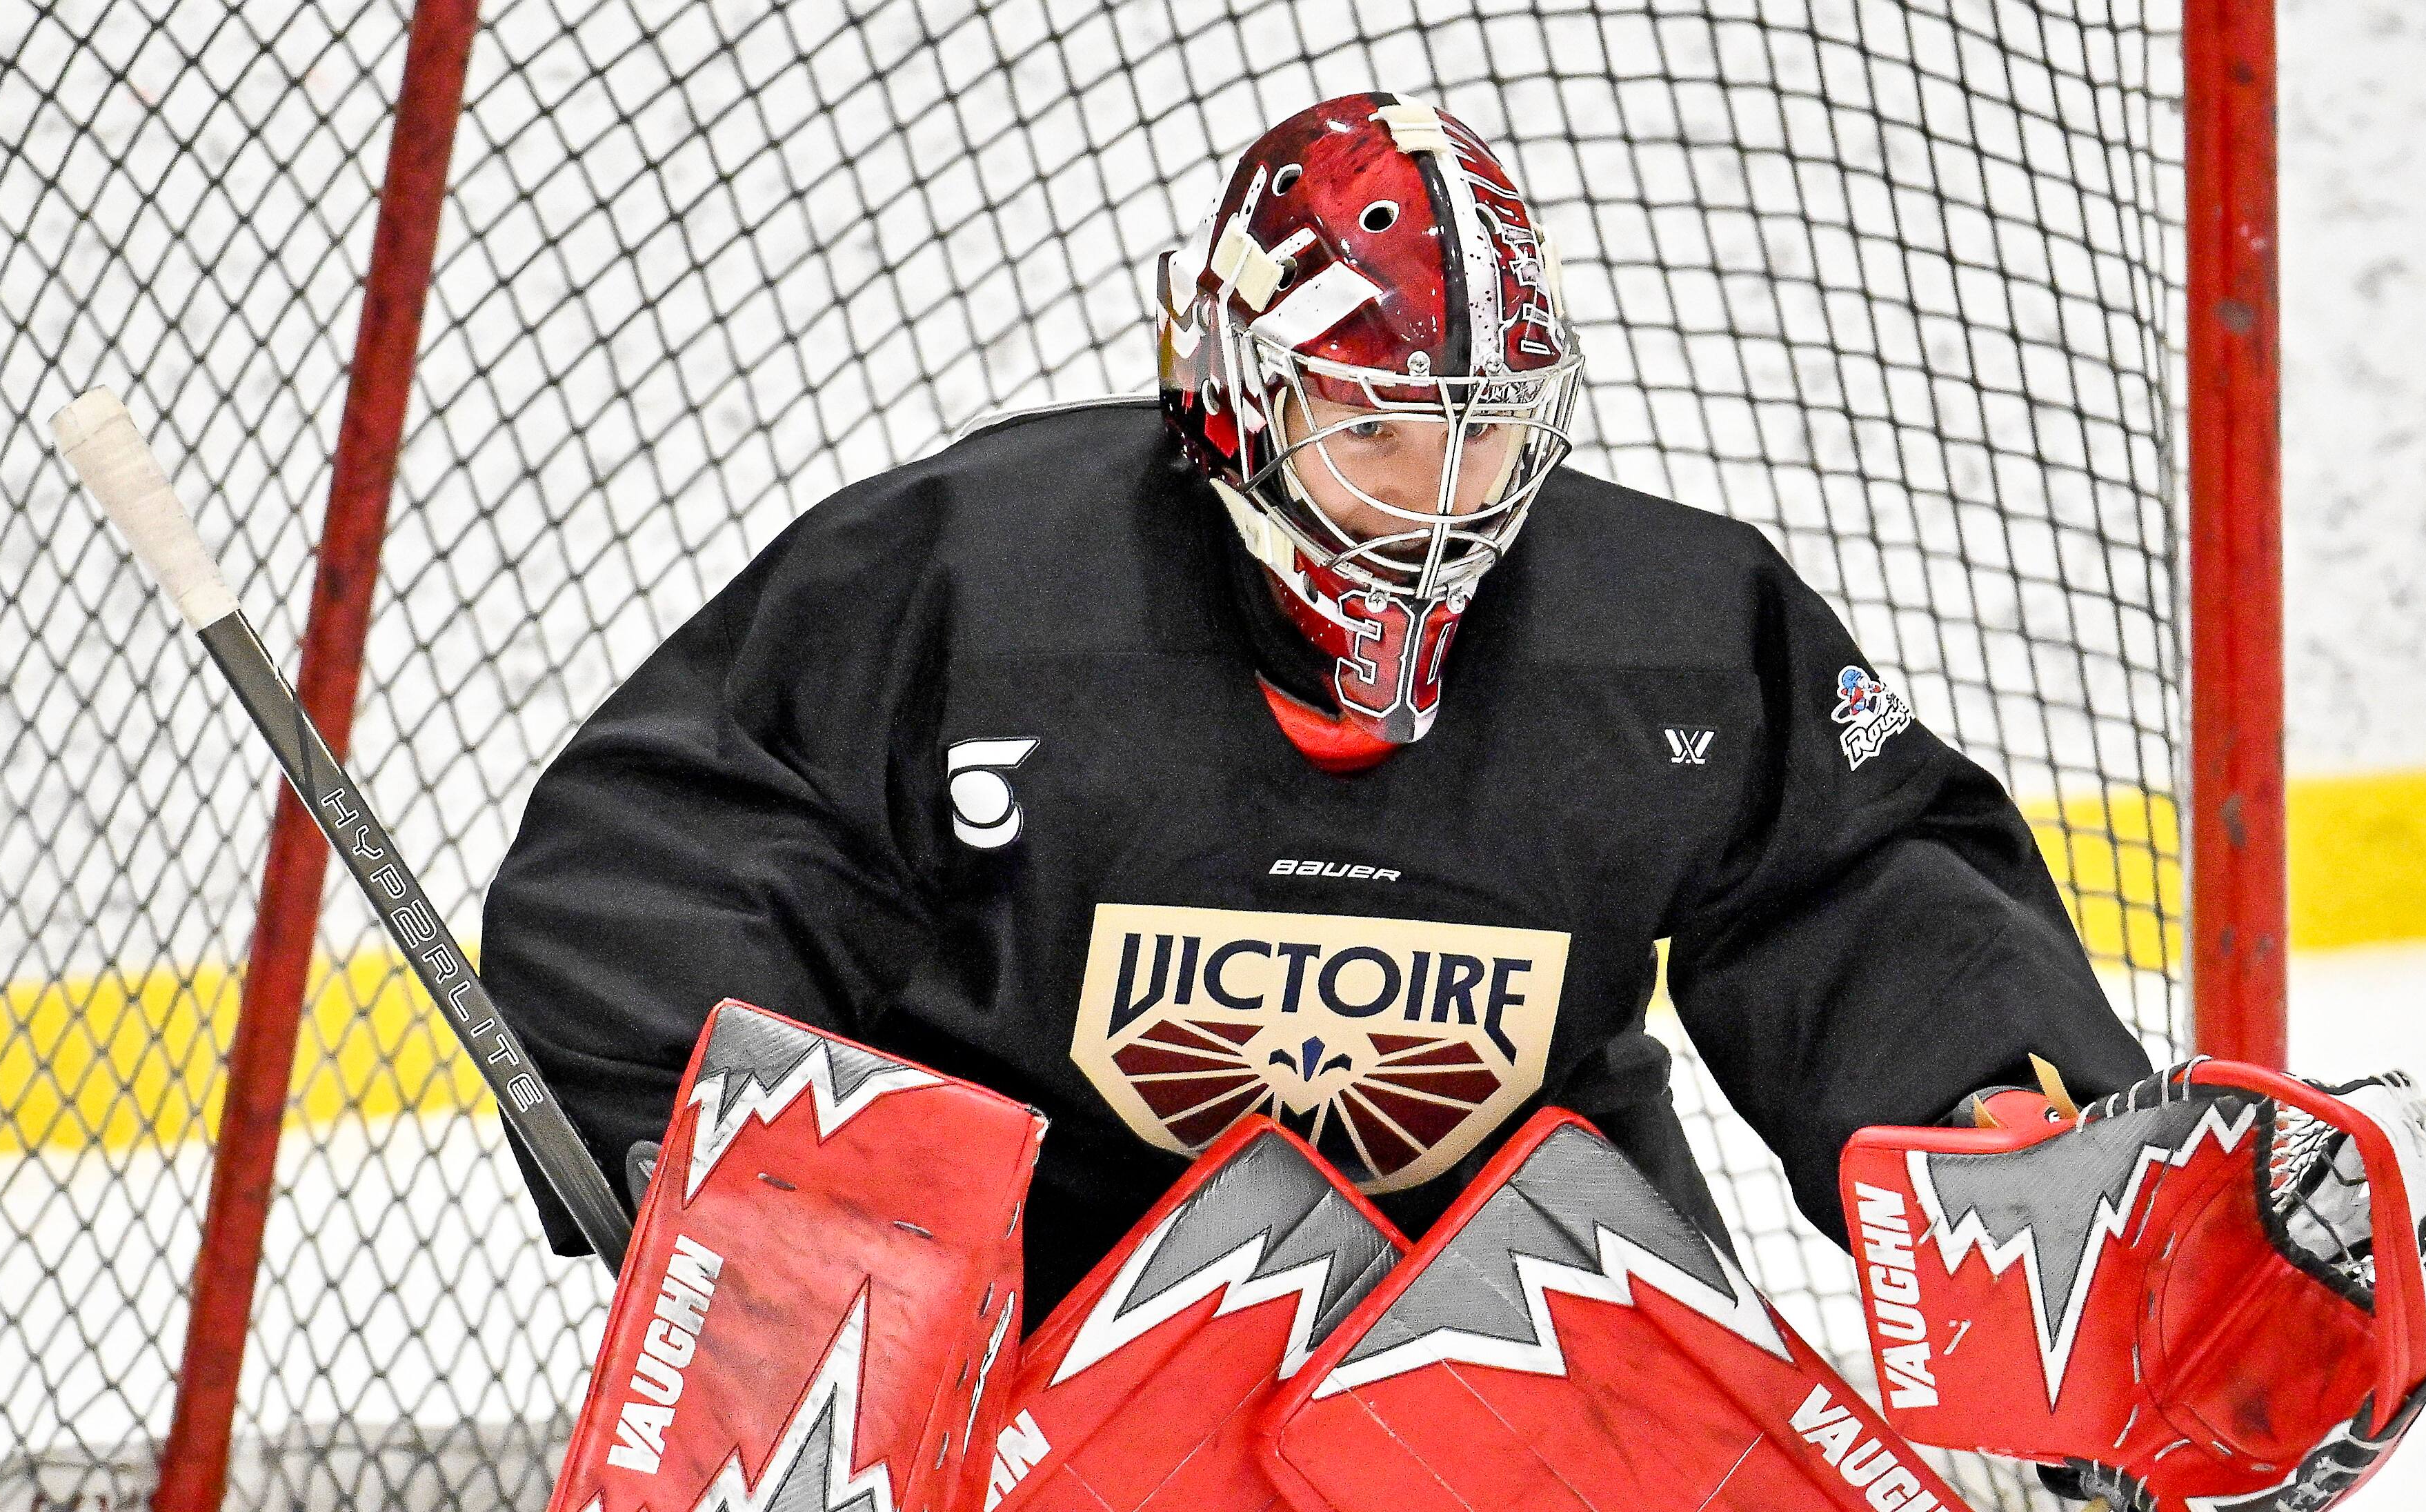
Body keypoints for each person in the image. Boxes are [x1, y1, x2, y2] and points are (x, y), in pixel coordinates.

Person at [479, 92, 2154, 1324]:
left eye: (1483, 434)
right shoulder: (974, 580)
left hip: (1539, 1292)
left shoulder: (1671, 635)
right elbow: (695, 834)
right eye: (1376, 438)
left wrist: (1998, 1137)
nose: (1445, 507)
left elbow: (1851, 886)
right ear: (1233, 394)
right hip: (1041, 1298)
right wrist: (711, 1136)